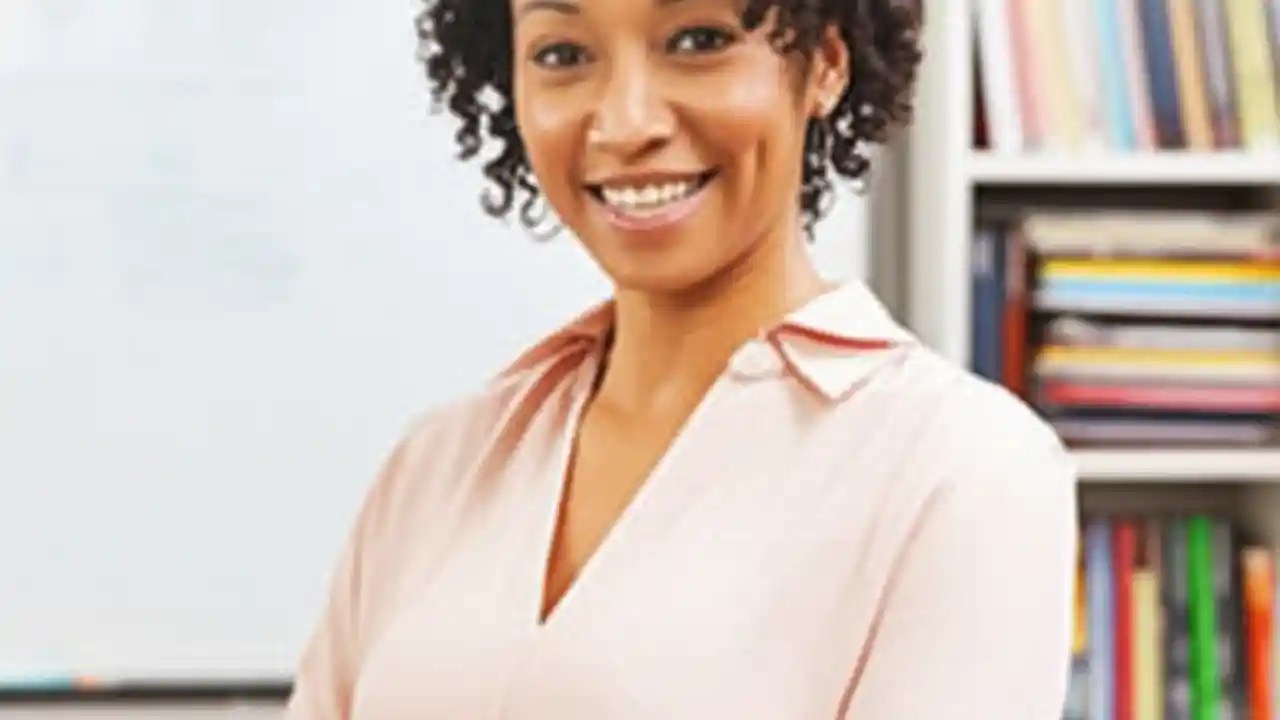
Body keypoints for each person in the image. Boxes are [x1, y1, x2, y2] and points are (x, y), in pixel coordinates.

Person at [284, 0, 1078, 717]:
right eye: (562, 54)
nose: (625, 123)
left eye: (697, 40)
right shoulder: (437, 463)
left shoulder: (963, 469)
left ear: (825, 62)